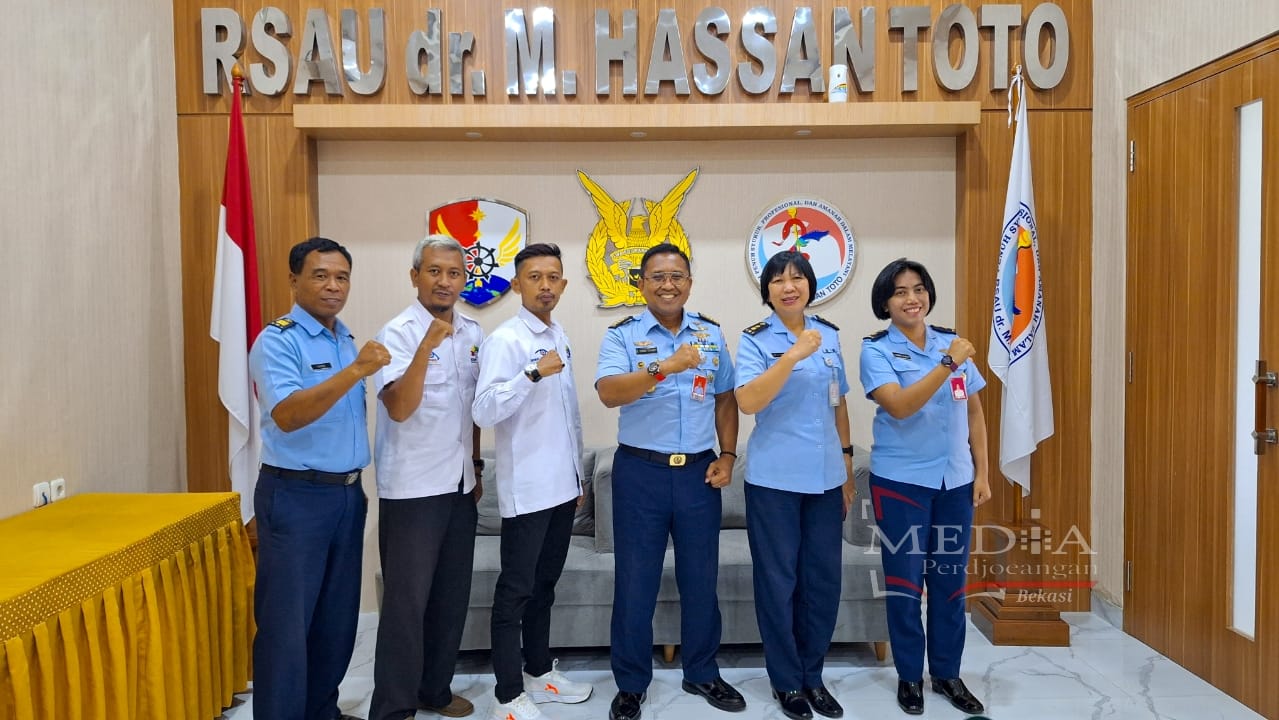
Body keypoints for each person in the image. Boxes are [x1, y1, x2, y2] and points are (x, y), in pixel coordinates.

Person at [594, 243, 746, 720]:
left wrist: (727, 454)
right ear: (640, 284)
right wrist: (663, 366)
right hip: (641, 472)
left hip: (699, 472)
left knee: (701, 580)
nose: (668, 284)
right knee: (635, 583)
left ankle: (702, 671)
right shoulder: (621, 335)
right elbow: (608, 393)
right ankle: (631, 684)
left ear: (689, 283)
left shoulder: (711, 334)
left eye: (677, 276)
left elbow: (725, 398)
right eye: (657, 276)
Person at [248, 236, 390, 720]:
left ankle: (321, 711)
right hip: (295, 496)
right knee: (287, 626)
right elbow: (287, 415)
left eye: (342, 277)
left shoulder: (343, 337)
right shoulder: (277, 340)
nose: (333, 286)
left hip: (347, 496)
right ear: (294, 280)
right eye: (320, 275)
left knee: (335, 620)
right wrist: (355, 371)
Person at [858, 258, 991, 716]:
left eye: (918, 289)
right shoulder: (876, 351)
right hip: (901, 485)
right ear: (885, 303)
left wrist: (983, 473)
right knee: (905, 584)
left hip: (955, 481)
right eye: (900, 292)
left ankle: (948, 675)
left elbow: (973, 412)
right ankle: (910, 677)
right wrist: (947, 362)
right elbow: (901, 407)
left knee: (951, 585)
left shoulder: (950, 344)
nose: (911, 298)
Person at [472, 243, 592, 720]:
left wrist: (578, 476)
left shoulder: (558, 332)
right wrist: (531, 374)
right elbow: (483, 410)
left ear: (563, 285)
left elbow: (570, 417)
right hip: (528, 491)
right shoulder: (506, 340)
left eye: (554, 277)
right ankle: (507, 694)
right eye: (535, 277)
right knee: (516, 591)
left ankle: (539, 672)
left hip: (562, 487)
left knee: (545, 586)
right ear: (517, 284)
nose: (545, 285)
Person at [734, 251, 857, 720]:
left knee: (822, 583)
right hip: (774, 481)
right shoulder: (754, 340)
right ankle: (786, 682)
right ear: (767, 291)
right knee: (778, 583)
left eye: (798, 278)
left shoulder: (830, 336)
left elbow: (838, 404)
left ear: (810, 286)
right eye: (779, 279)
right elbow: (748, 401)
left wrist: (846, 469)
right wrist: (791, 355)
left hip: (825, 480)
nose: (789, 286)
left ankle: (813, 676)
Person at [368, 235, 485, 720]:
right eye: (434, 271)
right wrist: (424, 349)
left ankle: (434, 690)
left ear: (464, 280)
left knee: (450, 598)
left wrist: (476, 467)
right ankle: (393, 709)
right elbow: (398, 407)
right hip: (413, 489)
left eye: (453, 273)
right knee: (405, 607)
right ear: (415, 275)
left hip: (458, 485)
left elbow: (473, 409)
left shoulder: (474, 332)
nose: (444, 281)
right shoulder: (395, 334)